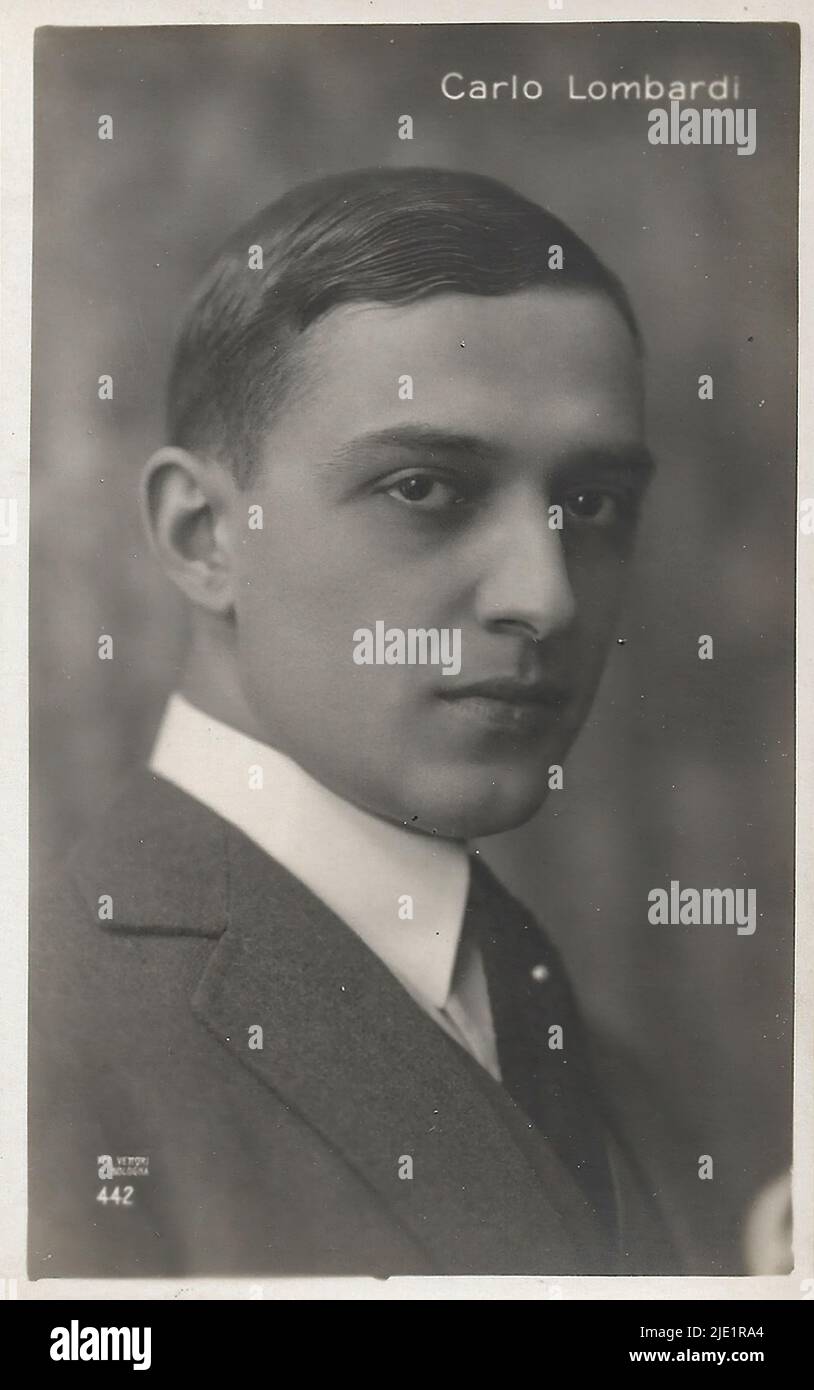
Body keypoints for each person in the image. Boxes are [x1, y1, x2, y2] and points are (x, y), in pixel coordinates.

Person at [29, 166, 682, 1277]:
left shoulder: (593, 1057)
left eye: (593, 503)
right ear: (201, 536)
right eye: (425, 488)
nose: (548, 595)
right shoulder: (47, 1050)